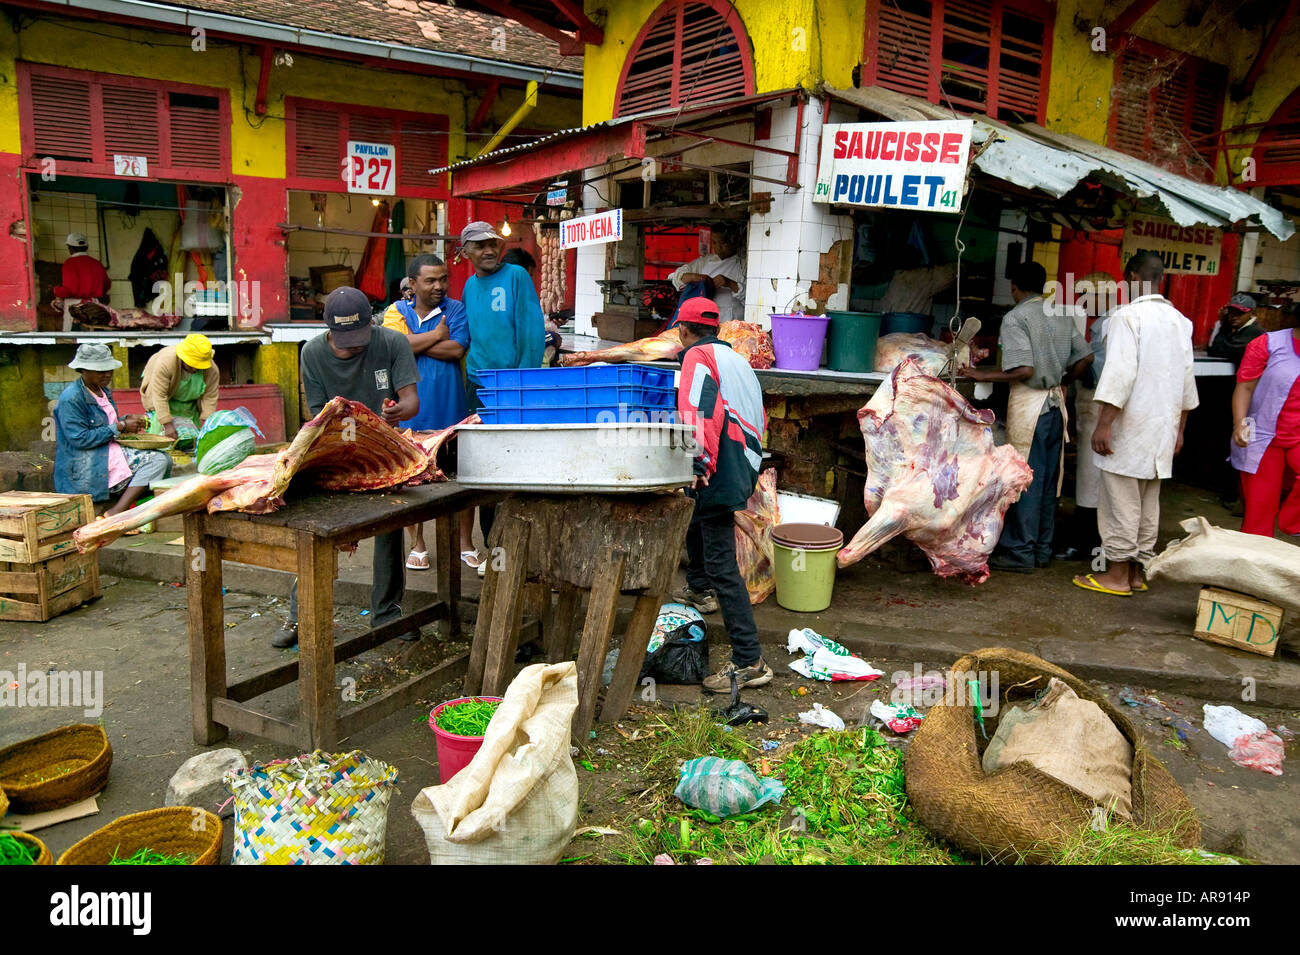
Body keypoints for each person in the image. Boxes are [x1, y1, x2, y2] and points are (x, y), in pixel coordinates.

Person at [274, 286, 420, 648]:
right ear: (328, 330)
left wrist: (398, 412)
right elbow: (319, 417)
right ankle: (299, 615)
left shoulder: (392, 343)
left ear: (370, 323)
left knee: (389, 529)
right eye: (345, 341)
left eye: (359, 338)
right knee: (318, 532)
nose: (353, 347)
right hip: (333, 449)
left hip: (386, 450)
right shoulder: (312, 353)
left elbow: (411, 401)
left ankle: (387, 613)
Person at [1073, 252, 1198, 597]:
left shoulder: (1126, 317)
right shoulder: (1180, 321)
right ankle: (1136, 574)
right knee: (1147, 502)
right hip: (1162, 430)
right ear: (1161, 278)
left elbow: (1119, 376)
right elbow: (1187, 382)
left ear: (1128, 277)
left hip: (1130, 429)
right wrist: (1180, 430)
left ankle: (1115, 575)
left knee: (1120, 502)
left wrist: (1103, 424)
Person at [961, 262, 1093, 572]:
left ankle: (1019, 552)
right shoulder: (1060, 315)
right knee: (1047, 482)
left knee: (1024, 480)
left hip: (1031, 407)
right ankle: (1041, 550)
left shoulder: (1016, 317)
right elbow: (1086, 357)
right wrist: (1065, 381)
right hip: (1054, 407)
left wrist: (981, 373)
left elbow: (1024, 370)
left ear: (1015, 287)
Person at [669, 297, 772, 693]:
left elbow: (699, 413)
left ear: (683, 330)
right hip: (742, 461)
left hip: (722, 463)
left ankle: (749, 661)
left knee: (722, 567)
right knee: (698, 520)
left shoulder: (696, 357)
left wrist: (698, 464)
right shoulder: (737, 360)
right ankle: (698, 590)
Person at [380, 253, 477, 570]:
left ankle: (465, 542)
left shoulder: (456, 309)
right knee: (412, 479)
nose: (440, 286)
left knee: (461, 477)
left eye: (444, 278)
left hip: (452, 407)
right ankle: (417, 545)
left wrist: (412, 341)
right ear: (412, 283)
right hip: (410, 410)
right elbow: (393, 346)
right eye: (431, 280)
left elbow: (457, 349)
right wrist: (436, 336)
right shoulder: (396, 311)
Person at [459, 221, 545, 567]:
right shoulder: (467, 286)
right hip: (477, 383)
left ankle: (510, 555)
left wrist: (523, 382)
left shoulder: (516, 277)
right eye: (479, 246)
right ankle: (491, 554)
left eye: (493, 243)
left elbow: (531, 329)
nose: (489, 250)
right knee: (484, 468)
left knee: (512, 467)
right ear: (466, 253)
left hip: (511, 387)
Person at [54, 343, 169, 517]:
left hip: (107, 449)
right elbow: (80, 439)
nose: (107, 374)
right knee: (157, 461)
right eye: (101, 370)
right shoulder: (71, 398)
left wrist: (127, 421)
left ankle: (131, 506)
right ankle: (116, 512)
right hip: (88, 462)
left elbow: (106, 423)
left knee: (166, 458)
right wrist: (120, 426)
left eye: (109, 369)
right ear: (83, 370)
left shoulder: (102, 391)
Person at [1056, 271, 1118, 562]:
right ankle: (1095, 544)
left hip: (1098, 409)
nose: (1082, 301)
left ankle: (1086, 545)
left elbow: (1097, 373)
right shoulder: (1107, 320)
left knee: (1091, 479)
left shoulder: (1108, 323)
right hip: (1100, 411)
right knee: (1096, 479)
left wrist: (1071, 365)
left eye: (1085, 295)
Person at [1230, 306, 1300, 537]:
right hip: (1264, 436)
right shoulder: (1268, 344)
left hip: (1297, 438)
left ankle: (1292, 524)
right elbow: (1246, 386)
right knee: (1259, 513)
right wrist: (1239, 422)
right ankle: (1252, 564)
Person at [139, 333, 219, 442]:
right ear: (183, 358)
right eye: (191, 365)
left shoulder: (212, 370)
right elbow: (159, 395)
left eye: (198, 366)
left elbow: (210, 397)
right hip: (162, 401)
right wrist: (167, 425)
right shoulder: (165, 363)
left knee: (190, 441)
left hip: (188, 407)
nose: (194, 369)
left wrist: (207, 425)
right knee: (161, 440)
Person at [668, 229, 746, 324]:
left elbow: (750, 298)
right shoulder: (705, 261)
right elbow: (678, 277)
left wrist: (729, 283)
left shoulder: (743, 264)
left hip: (731, 322)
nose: (718, 247)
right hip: (705, 321)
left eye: (722, 243)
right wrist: (696, 278)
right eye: (714, 242)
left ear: (734, 242)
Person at [52, 233, 111, 332]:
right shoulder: (97, 263)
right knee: (93, 337)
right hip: (94, 306)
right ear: (86, 246)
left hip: (75, 307)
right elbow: (106, 285)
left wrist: (56, 291)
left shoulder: (70, 263)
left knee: (73, 337)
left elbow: (70, 289)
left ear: (70, 248)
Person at [1208, 293, 1265, 367]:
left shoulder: (1255, 332)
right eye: (1231, 312)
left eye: (1240, 313)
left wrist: (1224, 324)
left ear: (1251, 313)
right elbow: (1212, 350)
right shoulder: (1236, 329)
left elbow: (1218, 351)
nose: (1234, 317)